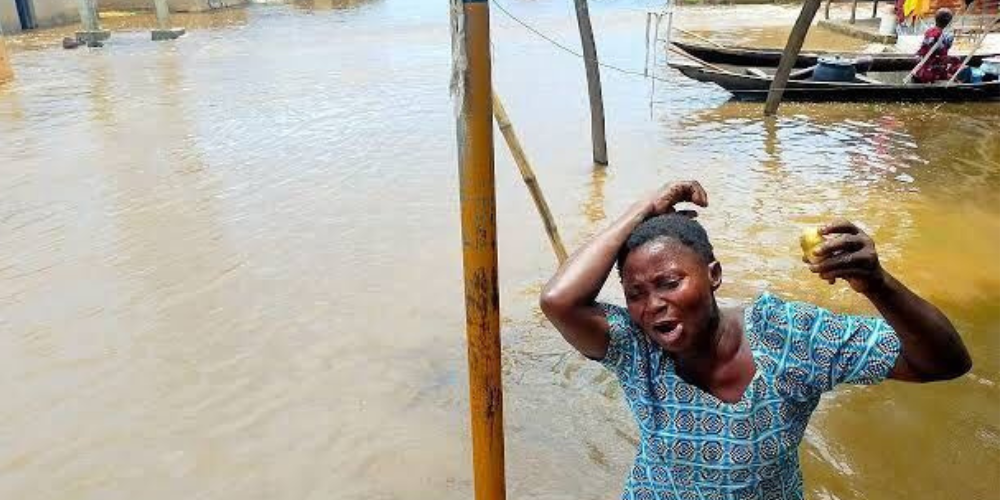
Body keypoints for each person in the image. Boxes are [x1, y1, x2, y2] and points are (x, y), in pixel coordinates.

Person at [539, 181, 971, 499]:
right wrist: (643, 207)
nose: (652, 305)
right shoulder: (637, 349)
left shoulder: (790, 338)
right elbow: (559, 300)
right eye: (635, 294)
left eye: (670, 283)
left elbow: (945, 362)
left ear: (714, 276)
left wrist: (878, 284)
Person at [913, 8, 961, 83]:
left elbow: (926, 48)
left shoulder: (930, 31)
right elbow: (940, 53)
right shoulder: (945, 35)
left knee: (954, 60)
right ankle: (939, 75)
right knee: (956, 61)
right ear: (949, 22)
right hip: (931, 64)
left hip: (925, 61)